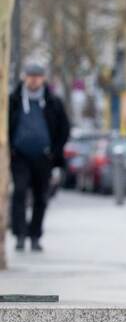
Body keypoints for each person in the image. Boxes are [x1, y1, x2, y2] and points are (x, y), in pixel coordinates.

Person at [8, 64, 71, 252]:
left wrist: (55, 151)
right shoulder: (14, 100)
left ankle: (35, 235)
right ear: (24, 77)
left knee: (41, 197)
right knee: (19, 192)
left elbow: (63, 129)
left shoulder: (53, 102)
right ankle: (19, 234)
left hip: (44, 157)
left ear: (43, 79)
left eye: (37, 76)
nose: (33, 80)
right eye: (30, 76)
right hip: (19, 156)